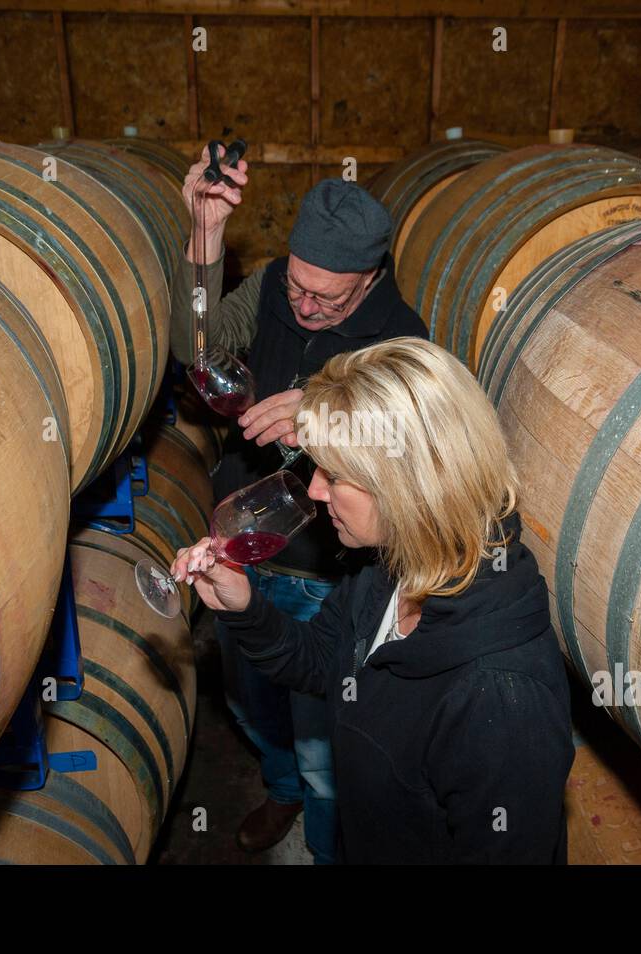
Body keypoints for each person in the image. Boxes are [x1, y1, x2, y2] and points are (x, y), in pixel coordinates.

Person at [170, 338, 575, 863]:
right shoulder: (395, 564)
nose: (313, 492)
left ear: (406, 487)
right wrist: (245, 606)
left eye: (333, 476)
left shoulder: (501, 698)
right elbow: (325, 663)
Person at [171, 144, 427, 862]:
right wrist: (206, 238)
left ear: (370, 279)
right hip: (244, 547)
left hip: (328, 577)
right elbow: (194, 347)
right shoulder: (279, 283)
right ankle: (278, 786)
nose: (306, 307)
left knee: (325, 745)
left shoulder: (402, 340)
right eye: (298, 292)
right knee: (254, 708)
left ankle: (318, 831)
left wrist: (325, 415)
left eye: (328, 299)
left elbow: (414, 464)